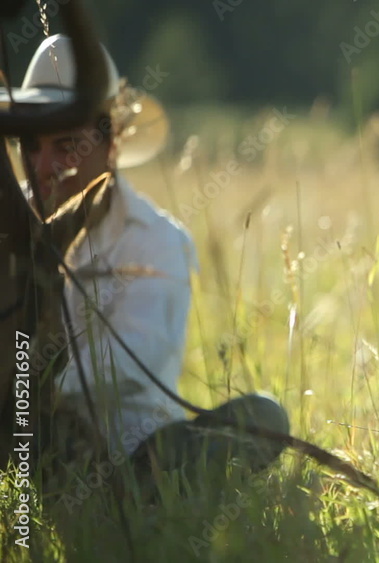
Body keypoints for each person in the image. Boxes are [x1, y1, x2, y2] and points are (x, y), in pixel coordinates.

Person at [2, 34, 290, 498]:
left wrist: (25, 386)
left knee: (263, 418)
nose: (43, 165)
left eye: (66, 146)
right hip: (22, 449)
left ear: (111, 143)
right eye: (30, 146)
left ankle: (135, 499)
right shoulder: (7, 227)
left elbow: (133, 365)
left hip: (136, 456)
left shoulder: (157, 240)